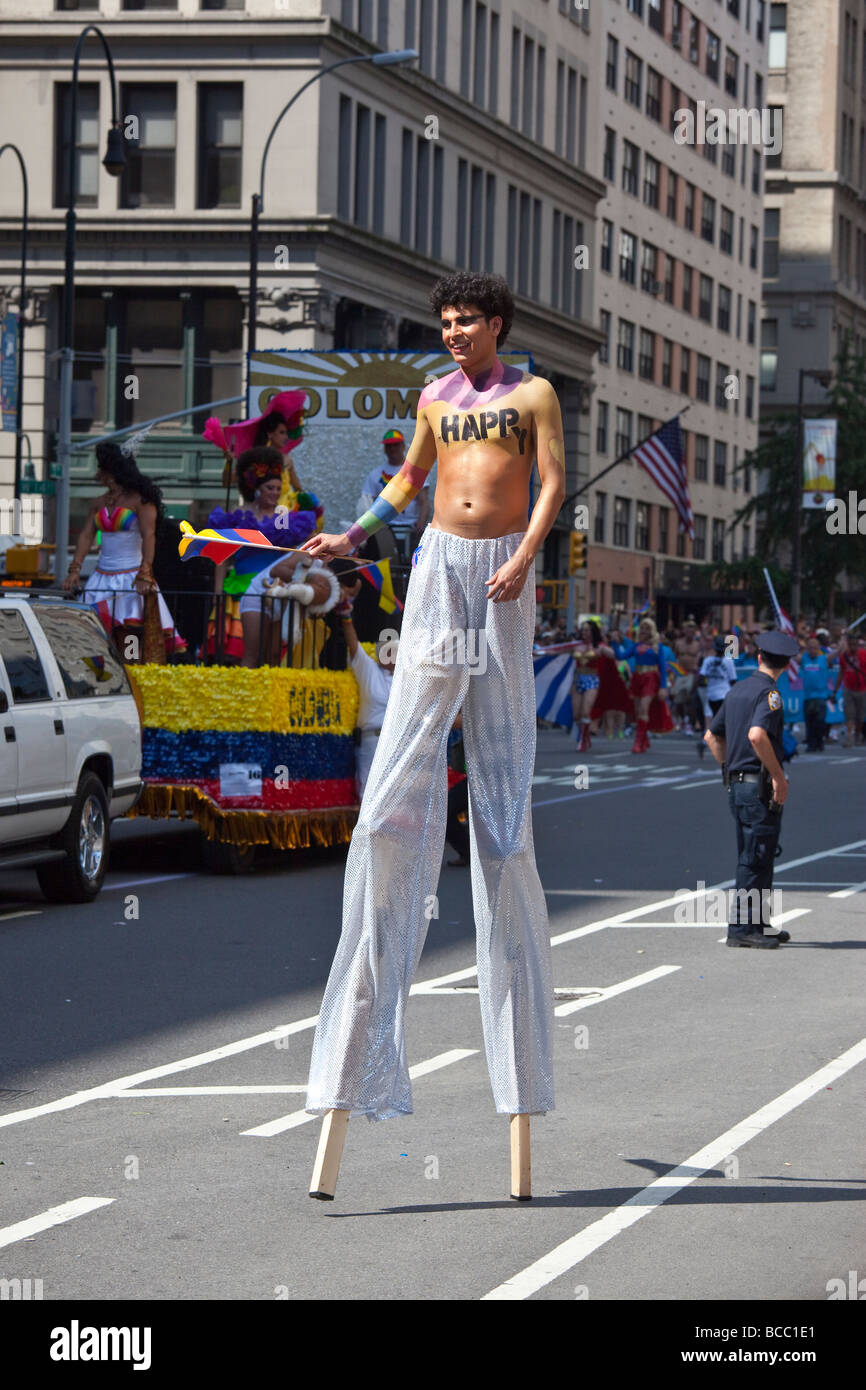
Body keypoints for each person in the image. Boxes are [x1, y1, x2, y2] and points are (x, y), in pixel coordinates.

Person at [301, 269, 565, 1131]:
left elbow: (553, 483)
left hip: (500, 573)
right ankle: (361, 1057)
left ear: (498, 322)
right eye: (445, 321)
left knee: (503, 817)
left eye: (467, 320)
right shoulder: (433, 397)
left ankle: (520, 1076)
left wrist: (527, 557)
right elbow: (408, 484)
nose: (453, 332)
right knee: (386, 812)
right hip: (437, 567)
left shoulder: (533, 393)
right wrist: (352, 533)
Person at [703, 629, 800, 948]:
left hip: (740, 785)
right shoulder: (769, 695)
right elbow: (757, 735)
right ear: (786, 664)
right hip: (756, 785)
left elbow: (711, 737)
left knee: (762, 853)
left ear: (759, 657)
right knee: (754, 856)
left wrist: (727, 769)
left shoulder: (738, 690)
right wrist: (778, 776)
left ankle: (758, 922)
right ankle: (742, 929)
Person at [62, 440, 186, 659]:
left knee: (130, 637)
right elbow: (86, 535)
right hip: (101, 578)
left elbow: (149, 535)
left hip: (131, 576)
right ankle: (103, 678)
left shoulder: (141, 500)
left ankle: (130, 678)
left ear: (111, 471)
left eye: (101, 468)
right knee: (96, 636)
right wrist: (74, 569)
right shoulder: (98, 502)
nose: (97, 473)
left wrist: (145, 572)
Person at [206, 446, 317, 662]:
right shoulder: (239, 516)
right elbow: (223, 557)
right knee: (246, 655)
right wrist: (217, 590)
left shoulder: (281, 515)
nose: (275, 493)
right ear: (257, 489)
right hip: (242, 589)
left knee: (273, 654)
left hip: (275, 588)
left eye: (278, 488)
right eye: (270, 488)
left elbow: (293, 542)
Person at [333, 577, 398, 796]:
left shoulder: (405, 680)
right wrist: (346, 615)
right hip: (372, 742)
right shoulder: (369, 670)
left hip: (396, 743)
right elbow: (354, 645)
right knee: (369, 796)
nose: (385, 652)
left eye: (391, 650)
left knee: (394, 798)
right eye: (384, 649)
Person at [358, 429, 431, 565]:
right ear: (384, 449)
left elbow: (424, 501)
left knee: (414, 566)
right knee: (388, 565)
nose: (392, 449)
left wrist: (421, 521)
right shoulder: (375, 475)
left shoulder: (414, 471)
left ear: (403, 446)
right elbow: (371, 504)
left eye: (396, 445)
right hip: (385, 529)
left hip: (411, 528)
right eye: (389, 445)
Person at [629, 616, 673, 752]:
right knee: (637, 711)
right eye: (642, 628)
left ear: (652, 631)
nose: (643, 631)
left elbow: (662, 667)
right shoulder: (636, 646)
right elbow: (620, 656)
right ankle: (644, 740)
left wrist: (663, 687)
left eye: (647, 628)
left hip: (651, 678)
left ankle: (637, 742)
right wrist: (613, 642)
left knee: (643, 708)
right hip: (637, 678)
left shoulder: (657, 647)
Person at [570, 620, 615, 751]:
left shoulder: (599, 646)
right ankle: (585, 736)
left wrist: (613, 644)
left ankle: (583, 740)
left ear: (593, 632)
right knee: (576, 715)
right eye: (583, 630)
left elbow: (614, 655)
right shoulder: (576, 645)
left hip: (592, 680)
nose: (584, 632)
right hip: (578, 680)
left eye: (587, 630)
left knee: (585, 712)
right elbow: (555, 651)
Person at [696, 635, 738, 759]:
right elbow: (733, 680)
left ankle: (706, 742)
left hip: (711, 696)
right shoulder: (728, 661)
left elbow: (701, 676)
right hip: (724, 695)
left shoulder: (708, 660)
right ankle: (722, 748)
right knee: (727, 723)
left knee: (718, 722)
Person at [801, 632, 834, 752]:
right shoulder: (804, 658)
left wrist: (843, 639)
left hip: (820, 697)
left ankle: (819, 742)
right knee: (809, 722)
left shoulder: (823, 659)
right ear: (807, 649)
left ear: (819, 648)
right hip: (808, 697)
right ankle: (811, 744)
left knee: (819, 722)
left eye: (815, 648)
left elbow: (839, 651)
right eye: (810, 648)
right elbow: (791, 656)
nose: (813, 650)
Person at [835, 631, 866, 746]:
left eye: (855, 645)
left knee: (860, 716)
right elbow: (841, 673)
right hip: (848, 689)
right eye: (851, 644)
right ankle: (850, 737)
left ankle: (858, 735)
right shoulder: (844, 657)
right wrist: (835, 690)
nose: (853, 647)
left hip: (862, 689)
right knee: (849, 714)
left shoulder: (864, 654)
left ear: (858, 645)